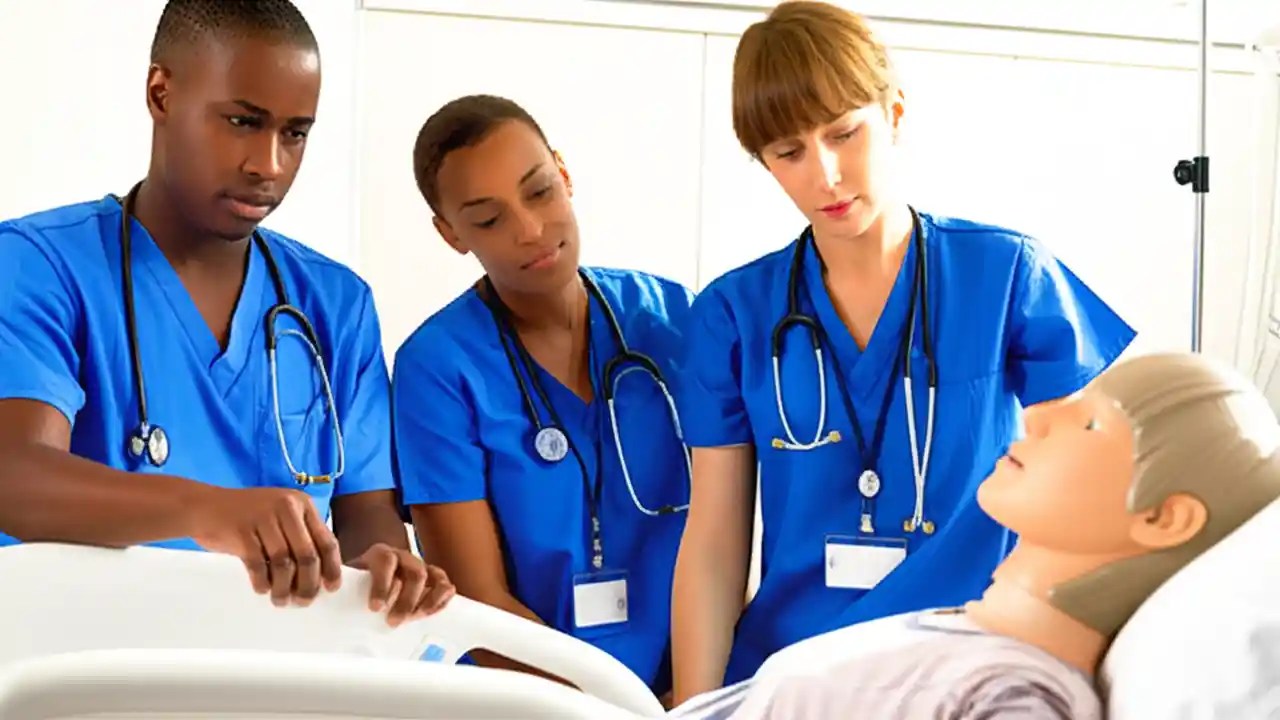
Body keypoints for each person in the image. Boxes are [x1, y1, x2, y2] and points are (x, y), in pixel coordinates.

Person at [669, 0, 1137, 701]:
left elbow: (1084, 494)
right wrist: (700, 706)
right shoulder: (733, 314)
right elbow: (713, 539)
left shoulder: (1006, 275)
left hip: (972, 657)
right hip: (798, 670)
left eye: (843, 132)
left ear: (894, 114)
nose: (823, 174)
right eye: (788, 152)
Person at [0, 0, 453, 626]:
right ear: (161, 93)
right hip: (81, 670)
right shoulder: (40, 265)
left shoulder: (336, 305)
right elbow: (14, 476)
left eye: (294, 133)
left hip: (269, 673)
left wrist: (385, 565)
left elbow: (364, 511)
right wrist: (209, 511)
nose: (267, 165)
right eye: (242, 122)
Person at [676, 352, 1280, 720]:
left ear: (1163, 518)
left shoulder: (1016, 694)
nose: (1039, 413)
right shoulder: (967, 632)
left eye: (1091, 422)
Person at [394, 94, 694, 703]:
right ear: (450, 233)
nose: (529, 231)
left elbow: (725, 538)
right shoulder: (438, 367)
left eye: (538, 191)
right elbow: (478, 604)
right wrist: (612, 711)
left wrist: (693, 696)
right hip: (526, 700)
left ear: (564, 172)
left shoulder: (671, 321)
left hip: (685, 691)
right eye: (487, 219)